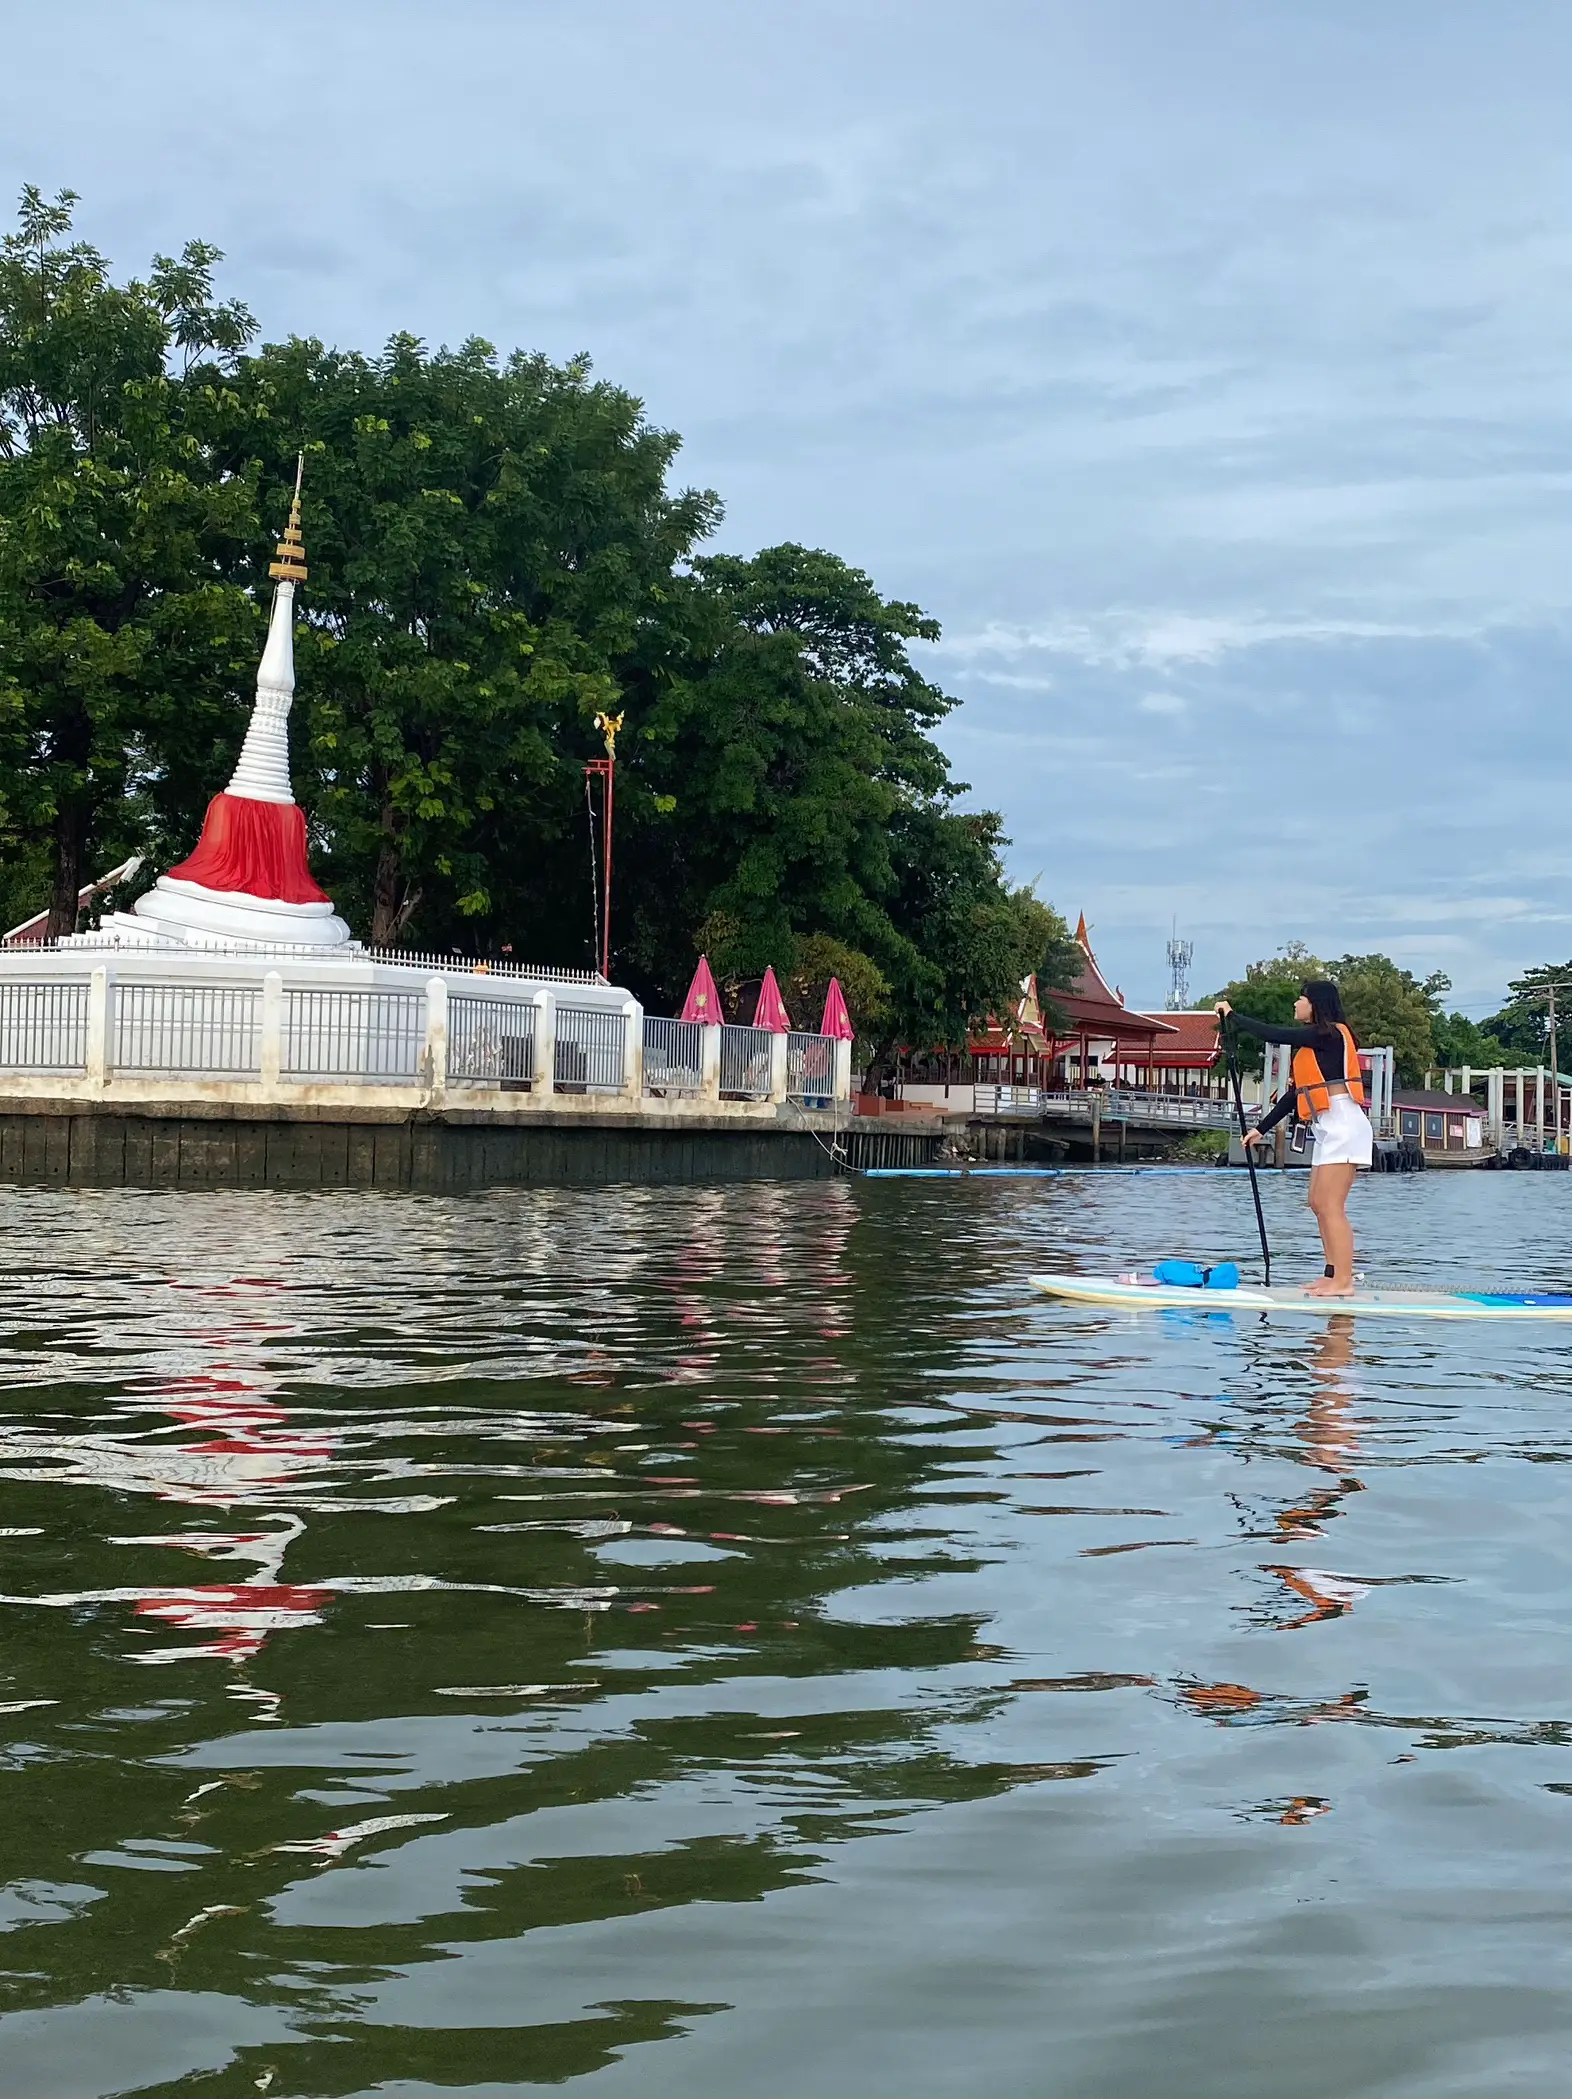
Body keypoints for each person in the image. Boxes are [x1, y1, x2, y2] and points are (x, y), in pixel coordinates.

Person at [1214, 982, 1371, 1298]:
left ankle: (1345, 1281)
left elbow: (1275, 1034)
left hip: (1344, 1125)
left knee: (1331, 1206)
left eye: (1300, 999)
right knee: (1317, 1203)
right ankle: (1331, 1274)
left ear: (1315, 1004)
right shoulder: (1313, 1047)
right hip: (1327, 1128)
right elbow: (1294, 1095)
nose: (1295, 1004)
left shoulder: (1329, 1034)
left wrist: (1233, 1016)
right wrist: (1261, 1129)